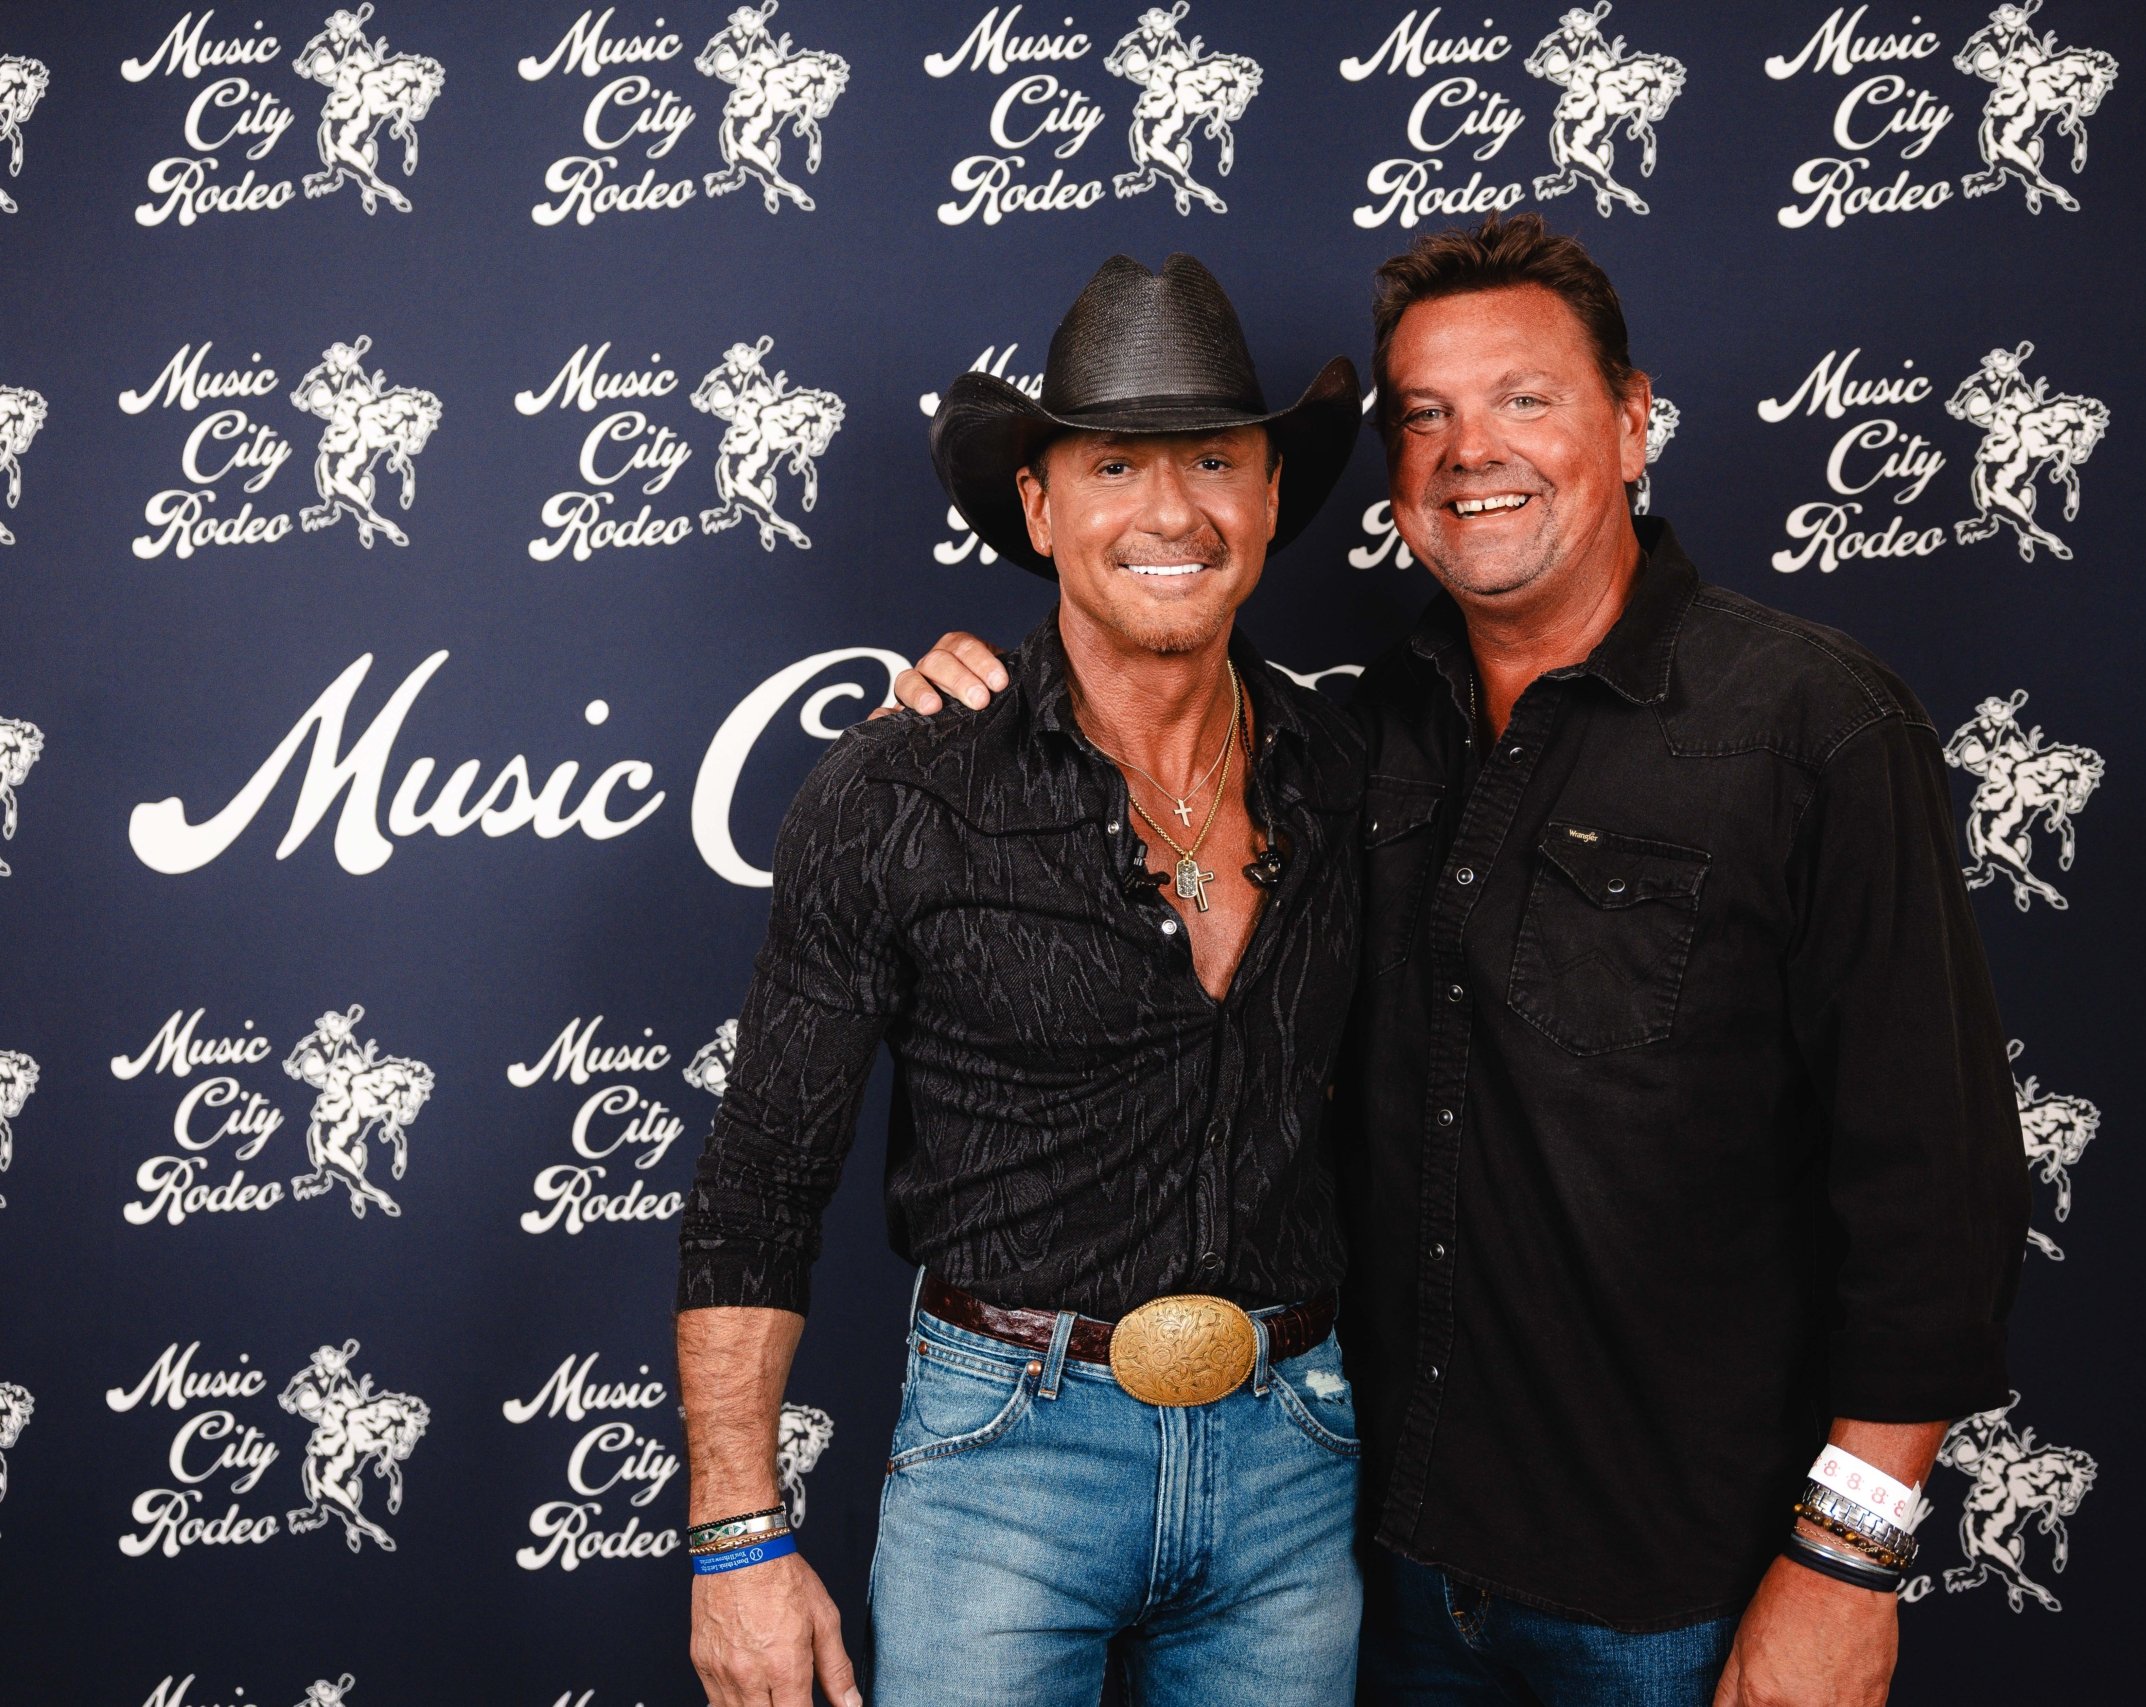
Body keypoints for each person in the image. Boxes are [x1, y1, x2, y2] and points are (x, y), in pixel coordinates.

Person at [892, 213, 2031, 1707]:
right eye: (1423, 415)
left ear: (1632, 422)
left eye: (1524, 399)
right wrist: (979, 709)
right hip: (1379, 1571)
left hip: (1675, 1592)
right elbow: (1140, 721)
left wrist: (1847, 1560)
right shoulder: (1350, 740)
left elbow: (1936, 1182)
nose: (1468, 450)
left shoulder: (1813, 729)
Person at [674, 253, 1370, 1707]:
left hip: (1295, 1460)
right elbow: (760, 1185)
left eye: (1214, 462)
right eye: (1114, 465)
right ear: (1041, 509)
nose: (1171, 512)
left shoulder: (1356, 778)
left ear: (1270, 499)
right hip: (1005, 1461)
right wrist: (738, 1540)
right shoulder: (897, 791)